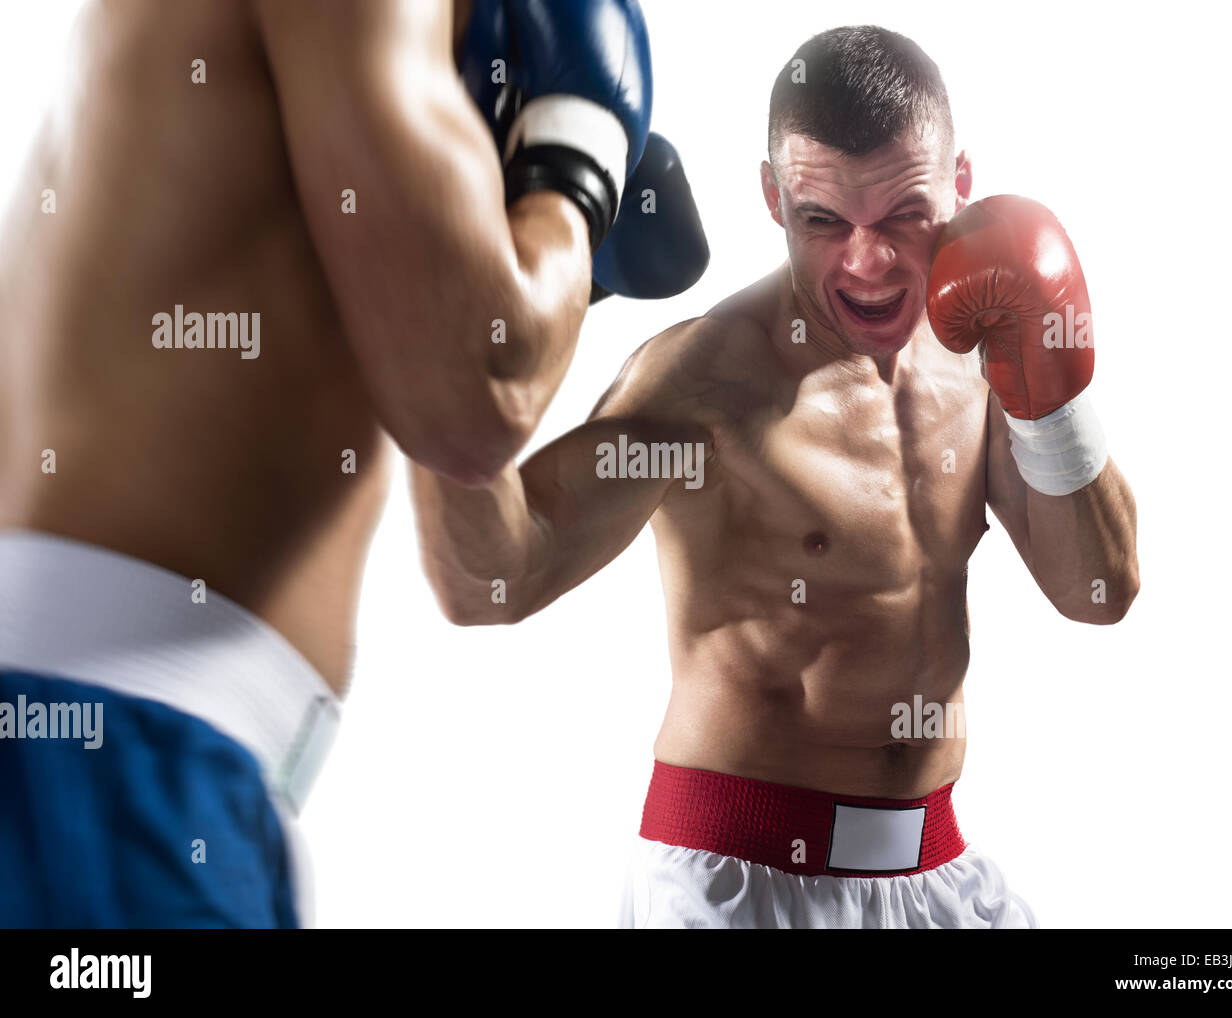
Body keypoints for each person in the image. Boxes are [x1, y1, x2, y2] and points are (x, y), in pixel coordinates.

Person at [0, 0, 705, 928]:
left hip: (138, 749)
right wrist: (576, 161)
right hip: (120, 752)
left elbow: (471, 538)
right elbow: (479, 398)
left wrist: (502, 224)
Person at [418, 25, 1139, 929]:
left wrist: (1053, 398)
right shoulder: (706, 385)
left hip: (938, 869)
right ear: (772, 196)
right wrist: (429, 372)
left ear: (960, 183)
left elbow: (1098, 593)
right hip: (741, 877)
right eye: (824, 221)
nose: (866, 263)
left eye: (904, 217)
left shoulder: (984, 352)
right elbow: (497, 579)